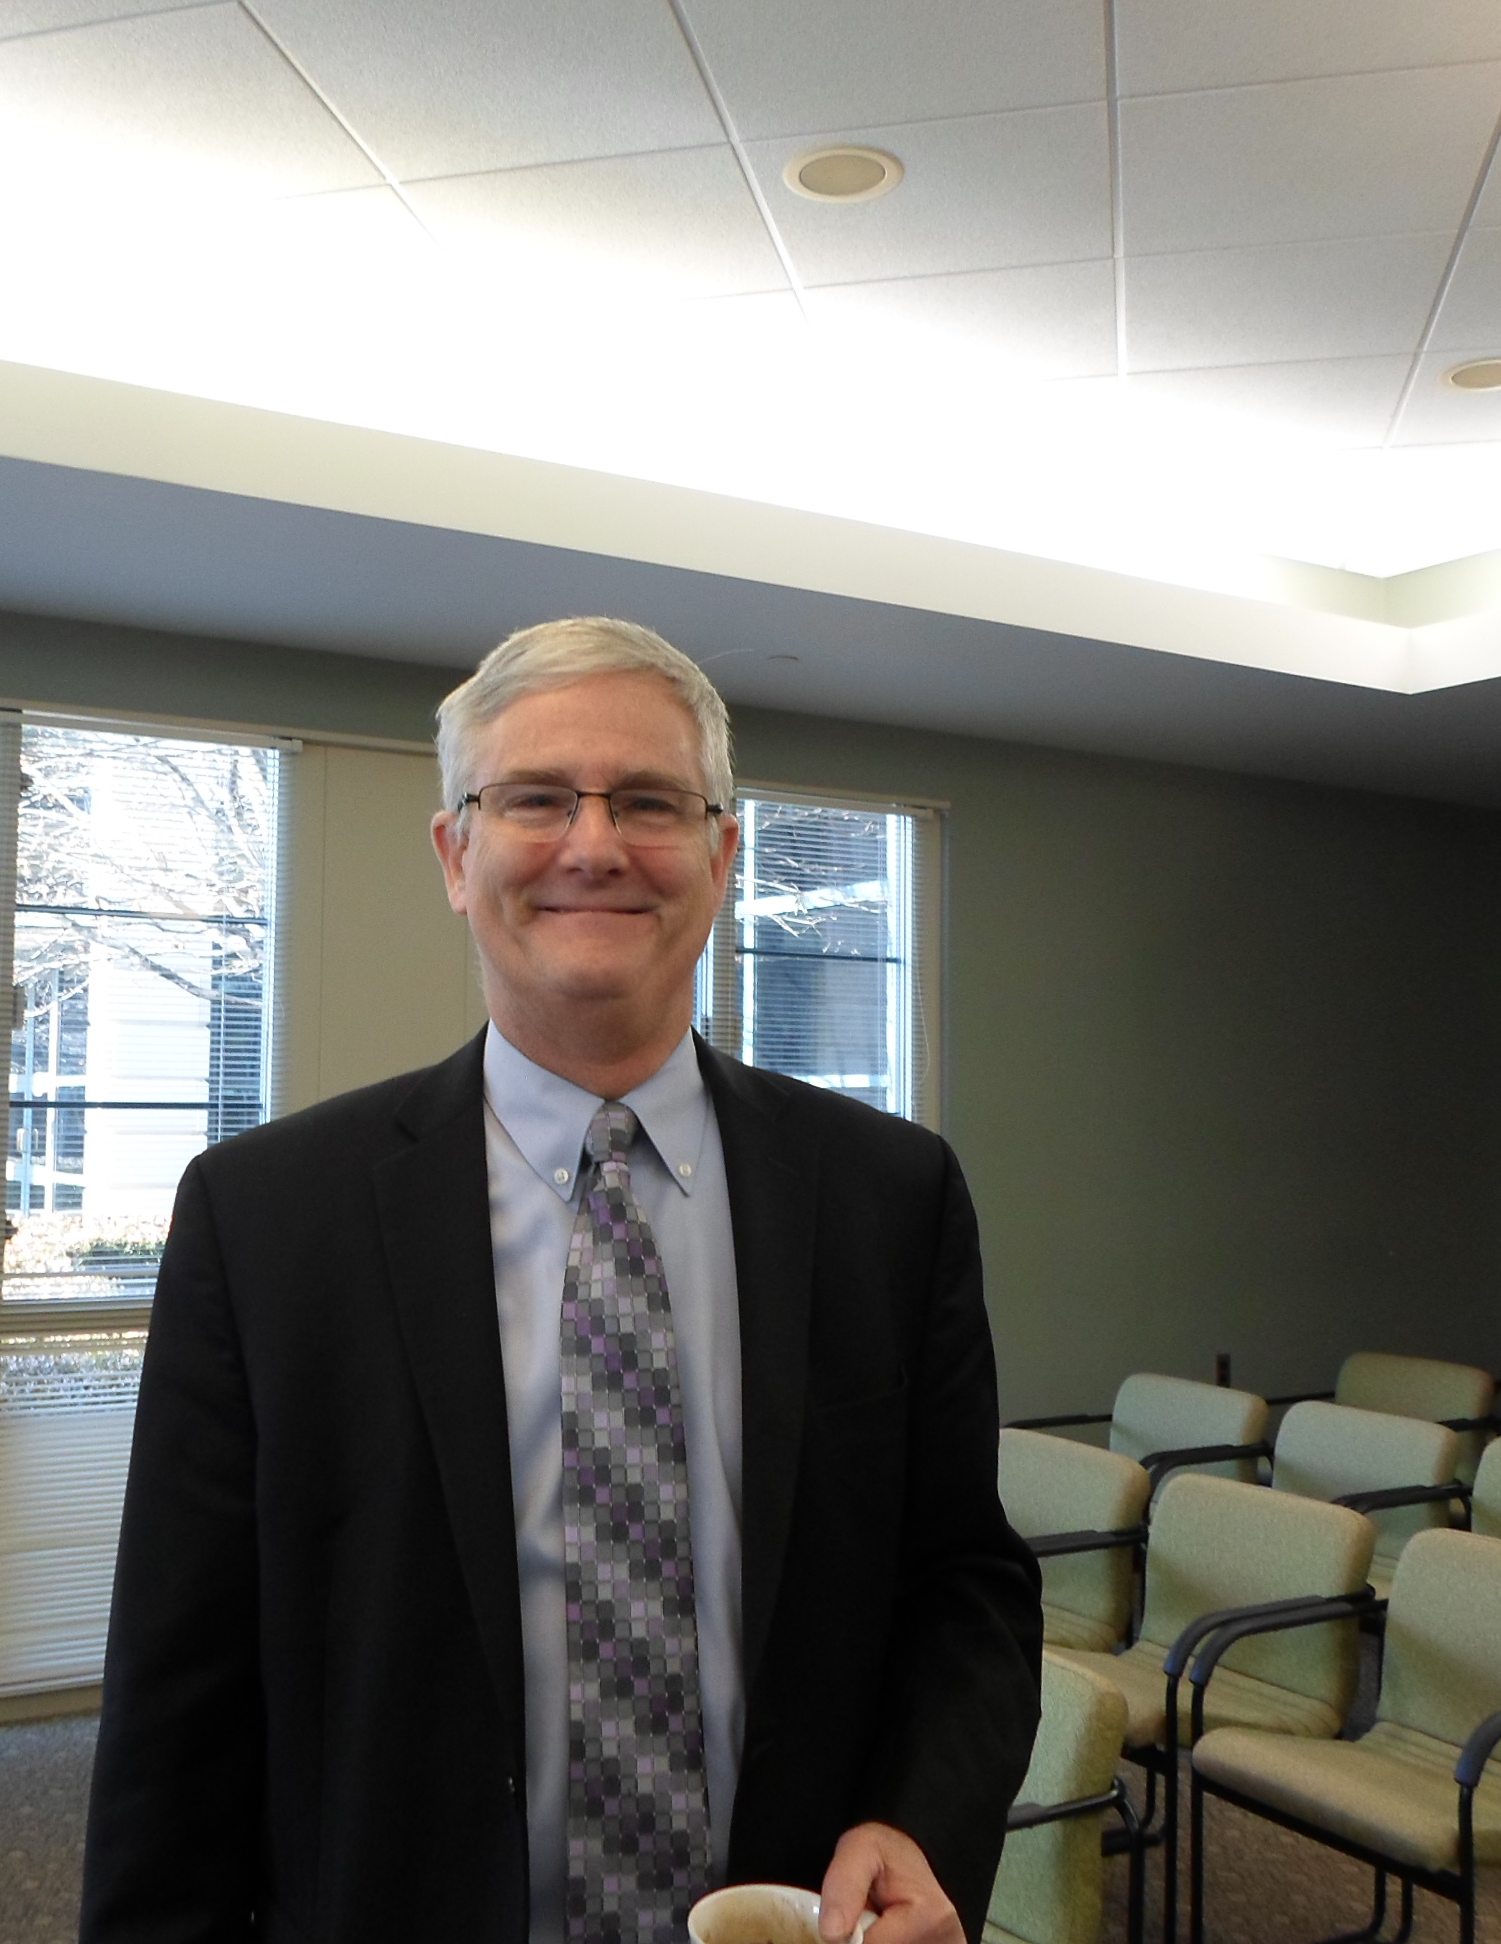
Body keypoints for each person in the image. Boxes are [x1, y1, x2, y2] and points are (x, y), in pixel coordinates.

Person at [82, 618, 1040, 1944]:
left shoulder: (891, 1199)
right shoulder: (265, 1218)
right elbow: (178, 1687)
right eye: (533, 798)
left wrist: (918, 1821)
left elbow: (962, 1584)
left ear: (722, 854)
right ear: (454, 853)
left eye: (649, 800)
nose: (595, 844)